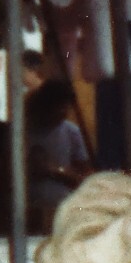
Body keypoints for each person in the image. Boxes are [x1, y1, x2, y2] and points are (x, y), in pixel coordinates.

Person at [26, 80, 91, 228]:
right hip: (29, 209)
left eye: (65, 107)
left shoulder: (71, 132)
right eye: (57, 107)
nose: (62, 112)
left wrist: (54, 170)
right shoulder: (23, 132)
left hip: (62, 208)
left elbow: (85, 178)